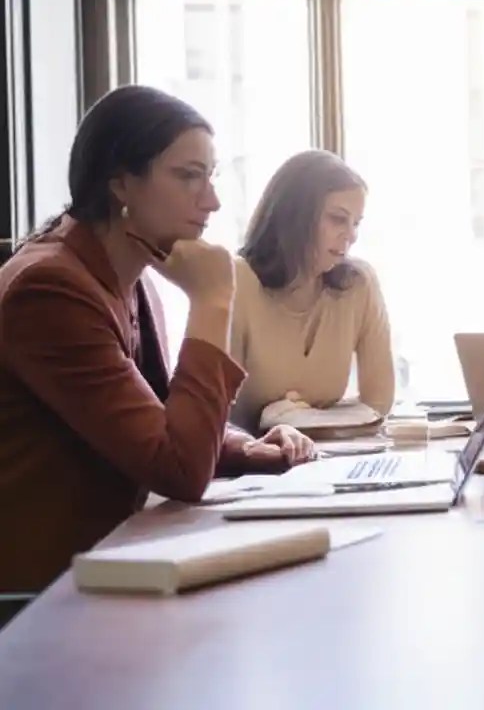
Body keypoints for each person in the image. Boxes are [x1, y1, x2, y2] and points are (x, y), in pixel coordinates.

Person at [0, 85, 312, 592]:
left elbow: (156, 421)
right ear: (120, 183)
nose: (211, 201)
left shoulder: (129, 276)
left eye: (211, 177)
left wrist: (248, 448)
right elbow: (178, 469)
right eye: (189, 176)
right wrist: (212, 301)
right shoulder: (50, 290)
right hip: (40, 600)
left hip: (108, 567)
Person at [230, 150, 394, 432]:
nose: (351, 235)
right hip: (248, 455)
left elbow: (378, 404)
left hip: (325, 453)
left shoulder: (359, 285)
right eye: (338, 219)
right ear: (295, 215)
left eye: (356, 223)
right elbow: (216, 413)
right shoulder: (238, 280)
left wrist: (307, 420)